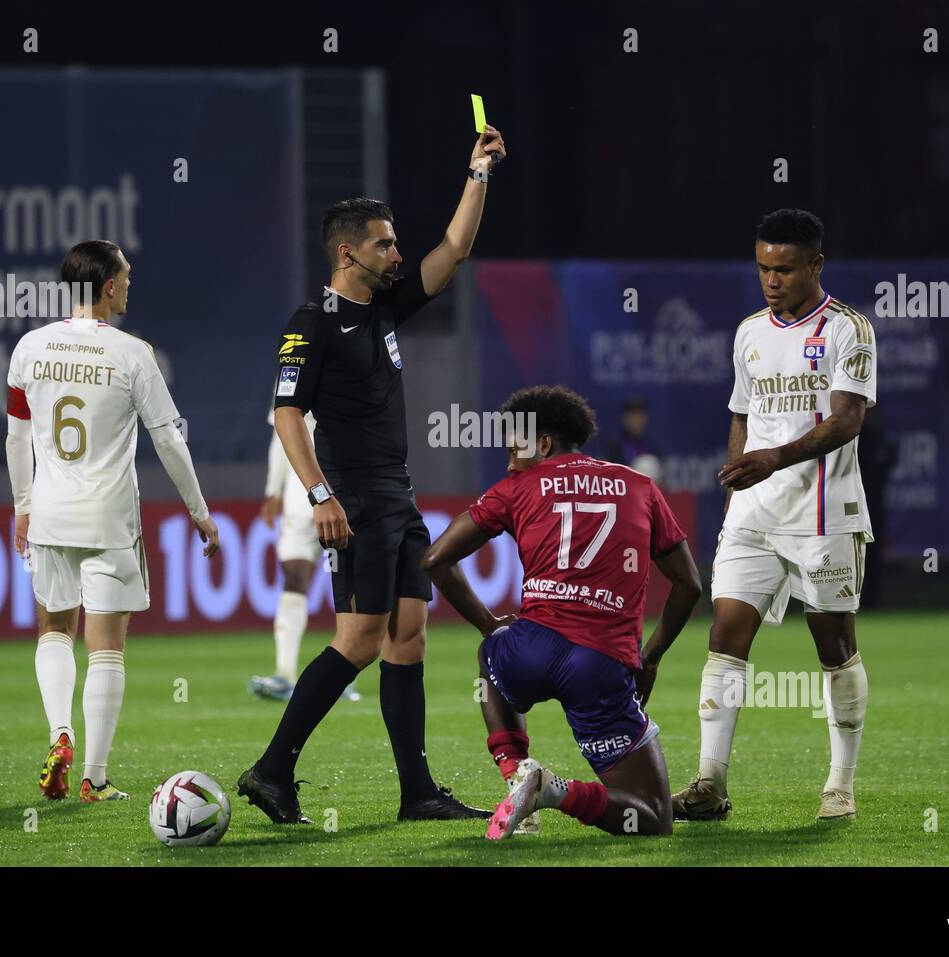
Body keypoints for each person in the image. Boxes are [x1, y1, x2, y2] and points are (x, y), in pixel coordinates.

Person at [236, 124, 508, 824]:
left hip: (397, 495)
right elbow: (287, 414)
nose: (397, 253)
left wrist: (477, 172)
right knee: (358, 640)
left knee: (408, 636)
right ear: (347, 251)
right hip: (356, 498)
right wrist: (319, 494)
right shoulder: (312, 323)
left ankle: (417, 794)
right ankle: (271, 770)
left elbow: (455, 249)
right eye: (385, 244)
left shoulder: (384, 304)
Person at [422, 385, 703, 839]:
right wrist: (650, 658)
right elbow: (689, 584)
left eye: (514, 449)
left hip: (528, 651)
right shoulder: (640, 486)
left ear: (544, 442)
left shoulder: (517, 487)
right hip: (601, 664)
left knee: (492, 651)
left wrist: (490, 626)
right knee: (652, 818)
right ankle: (551, 791)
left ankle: (518, 775)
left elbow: (435, 559)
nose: (509, 462)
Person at [671, 209, 877, 823]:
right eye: (763, 267)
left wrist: (774, 459)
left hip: (824, 513)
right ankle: (710, 783)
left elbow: (847, 420)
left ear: (816, 264)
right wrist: (739, 483)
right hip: (754, 514)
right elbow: (742, 412)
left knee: (834, 645)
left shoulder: (848, 329)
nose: (771, 279)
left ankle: (840, 785)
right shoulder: (749, 332)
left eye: (784, 268)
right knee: (724, 637)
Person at [6, 240, 220, 803]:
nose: (129, 285)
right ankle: (94, 778)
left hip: (50, 513)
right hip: (109, 518)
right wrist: (199, 511)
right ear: (106, 286)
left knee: (54, 629)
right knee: (105, 648)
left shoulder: (30, 347)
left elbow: (16, 437)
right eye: (125, 277)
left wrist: (23, 506)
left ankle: (60, 734)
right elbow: (169, 440)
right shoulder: (132, 354)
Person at [248, 402, 357, 703]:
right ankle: (285, 673)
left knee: (349, 577)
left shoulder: (353, 376)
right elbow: (281, 432)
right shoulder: (289, 374)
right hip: (302, 493)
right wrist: (273, 491)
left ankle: (346, 671)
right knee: (295, 578)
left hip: (342, 490)